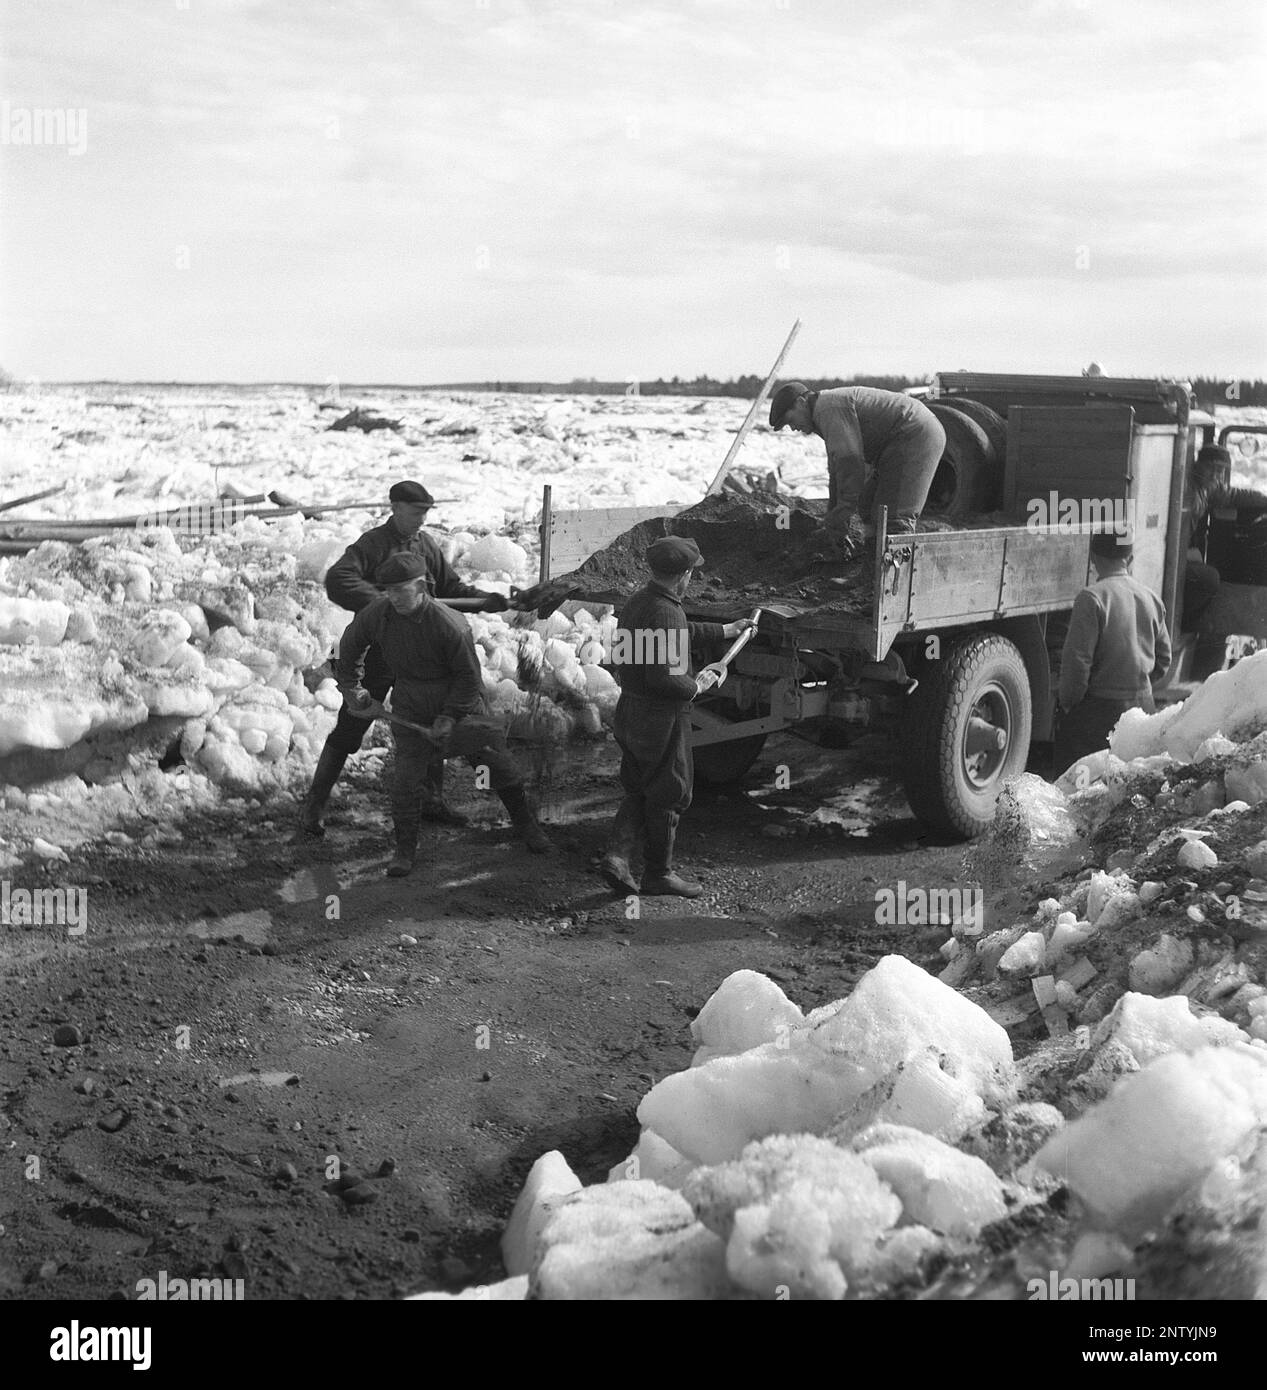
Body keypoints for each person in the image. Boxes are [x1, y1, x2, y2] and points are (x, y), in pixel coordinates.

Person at [298, 480, 510, 836]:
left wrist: (484, 599)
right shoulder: (372, 545)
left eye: (425, 513)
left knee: (430, 723)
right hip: (378, 653)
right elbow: (338, 579)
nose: (420, 520)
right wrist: (380, 604)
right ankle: (313, 808)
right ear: (394, 507)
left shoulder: (425, 545)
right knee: (351, 727)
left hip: (420, 656)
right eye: (415, 513)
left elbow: (450, 590)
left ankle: (431, 802)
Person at [335, 553, 550, 876]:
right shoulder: (378, 613)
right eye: (388, 591)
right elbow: (351, 645)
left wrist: (450, 717)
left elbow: (469, 678)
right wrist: (351, 686)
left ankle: (527, 825)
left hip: (460, 702)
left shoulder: (450, 623)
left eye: (400, 590)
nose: (393, 598)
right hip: (410, 701)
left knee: (494, 764)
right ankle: (404, 850)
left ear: (421, 586)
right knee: (406, 780)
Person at [599, 537, 756, 898]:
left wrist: (726, 630)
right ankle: (659, 874)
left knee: (639, 785)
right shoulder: (668, 612)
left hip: (630, 711)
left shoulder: (640, 602)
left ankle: (617, 858)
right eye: (691, 573)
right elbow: (665, 677)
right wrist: (696, 687)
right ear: (684, 575)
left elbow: (672, 636)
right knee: (671, 791)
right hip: (660, 718)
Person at [768, 382, 946, 557]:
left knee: (894, 517)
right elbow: (837, 472)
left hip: (914, 434)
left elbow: (850, 464)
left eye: (790, 420)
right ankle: (870, 576)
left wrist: (839, 518)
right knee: (867, 505)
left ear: (801, 402)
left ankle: (893, 583)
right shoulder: (823, 413)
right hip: (898, 440)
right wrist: (833, 515)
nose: (792, 428)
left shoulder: (827, 409)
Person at [1054, 531, 1171, 776]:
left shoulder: (1092, 598)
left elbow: (1077, 662)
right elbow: (1164, 659)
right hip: (1142, 710)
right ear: (1129, 558)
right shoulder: (1151, 598)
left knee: (1080, 789)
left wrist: (1068, 704)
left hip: (1098, 714)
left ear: (1093, 558)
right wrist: (1138, 685)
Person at [1181, 444, 1267, 632]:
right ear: (1198, 465)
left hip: (1184, 553)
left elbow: (1233, 494)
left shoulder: (1208, 487)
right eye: (1211, 467)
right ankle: (1184, 625)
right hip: (1173, 555)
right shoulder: (1187, 489)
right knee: (1209, 579)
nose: (1215, 475)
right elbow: (1173, 533)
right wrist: (1187, 554)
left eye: (1220, 470)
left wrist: (1264, 499)